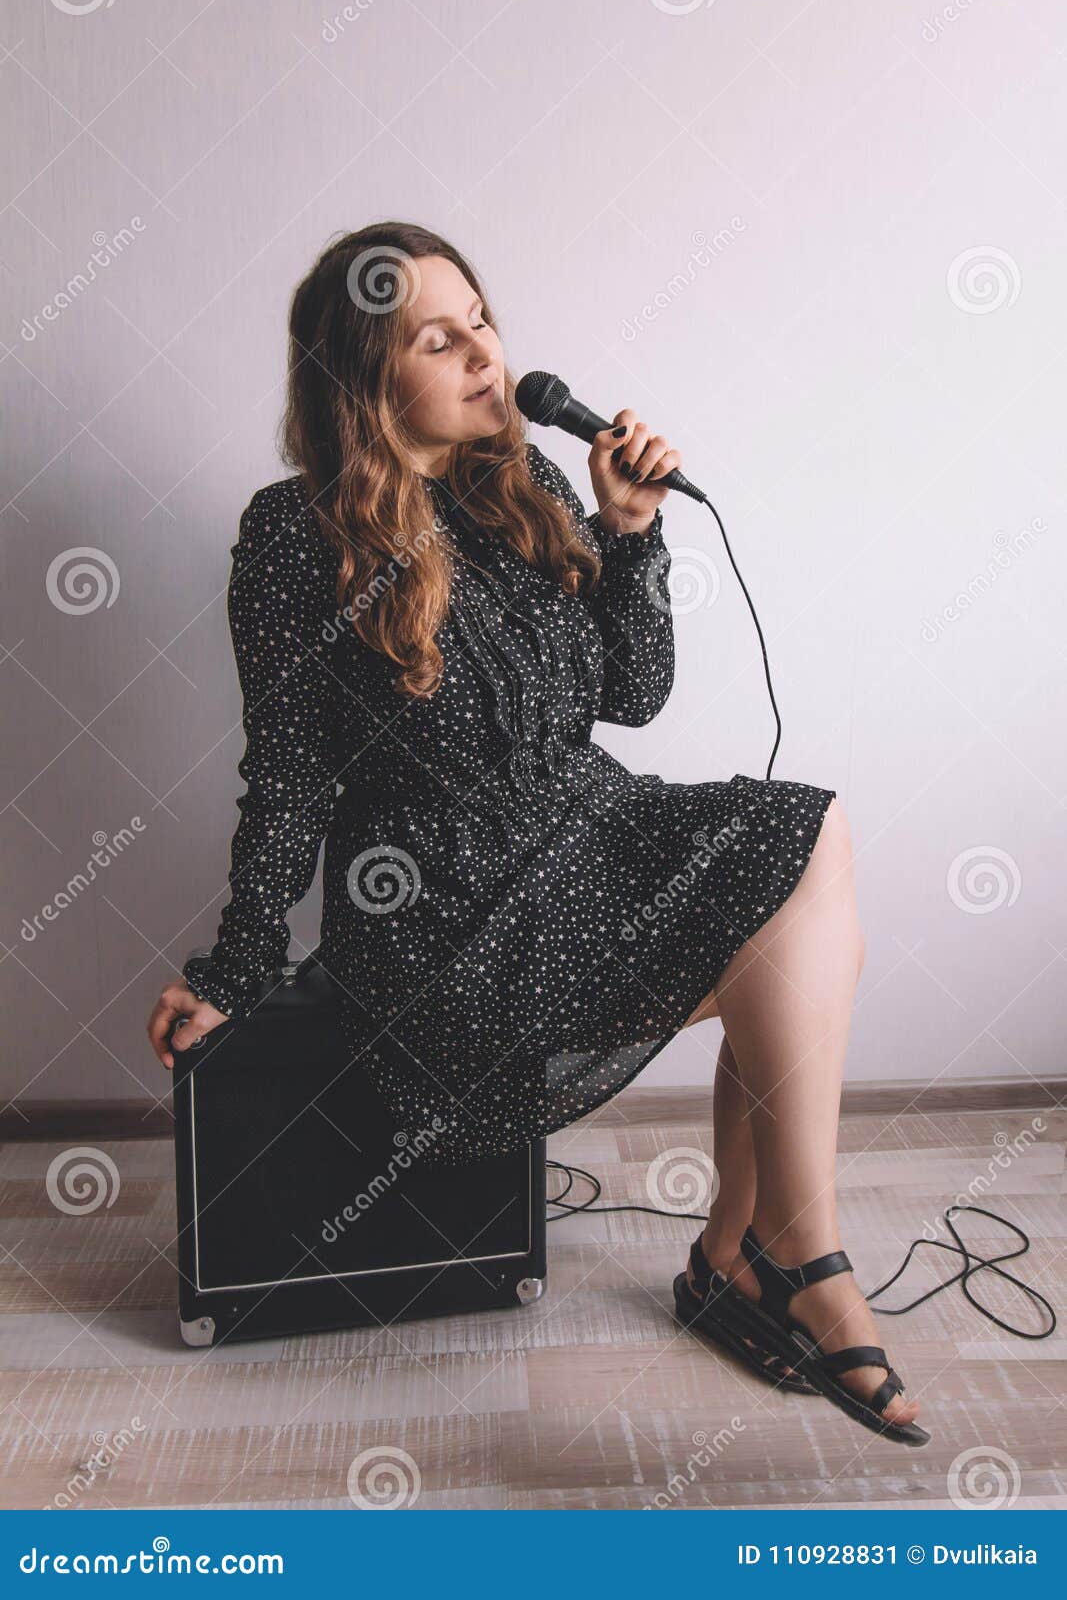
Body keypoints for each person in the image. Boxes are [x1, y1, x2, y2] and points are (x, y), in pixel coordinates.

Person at [146, 221, 927, 1446]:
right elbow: (289, 772)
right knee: (790, 916)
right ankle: (776, 1255)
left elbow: (628, 693)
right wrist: (233, 970)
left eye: (482, 321)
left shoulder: (523, 483)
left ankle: (754, 1246)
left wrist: (628, 532)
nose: (481, 353)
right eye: (434, 337)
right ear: (362, 375)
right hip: (448, 910)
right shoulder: (293, 536)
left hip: (590, 828)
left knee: (803, 842)